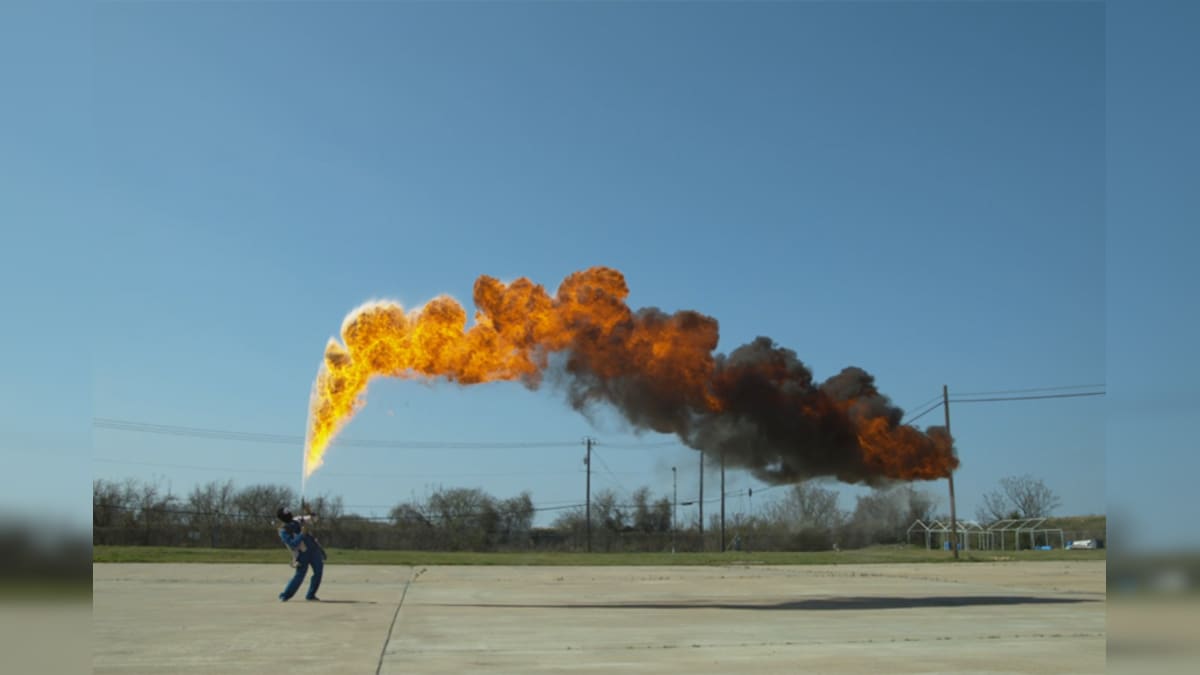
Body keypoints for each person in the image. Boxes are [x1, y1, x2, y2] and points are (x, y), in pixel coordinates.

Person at [277, 506, 326, 602]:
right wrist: (302, 534)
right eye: (286, 514)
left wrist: (310, 512)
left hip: (313, 550)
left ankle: (310, 595)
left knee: (318, 572)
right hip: (301, 554)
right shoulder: (283, 530)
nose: (289, 515)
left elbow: (314, 519)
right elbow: (292, 544)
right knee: (299, 576)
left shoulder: (298, 520)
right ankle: (285, 595)